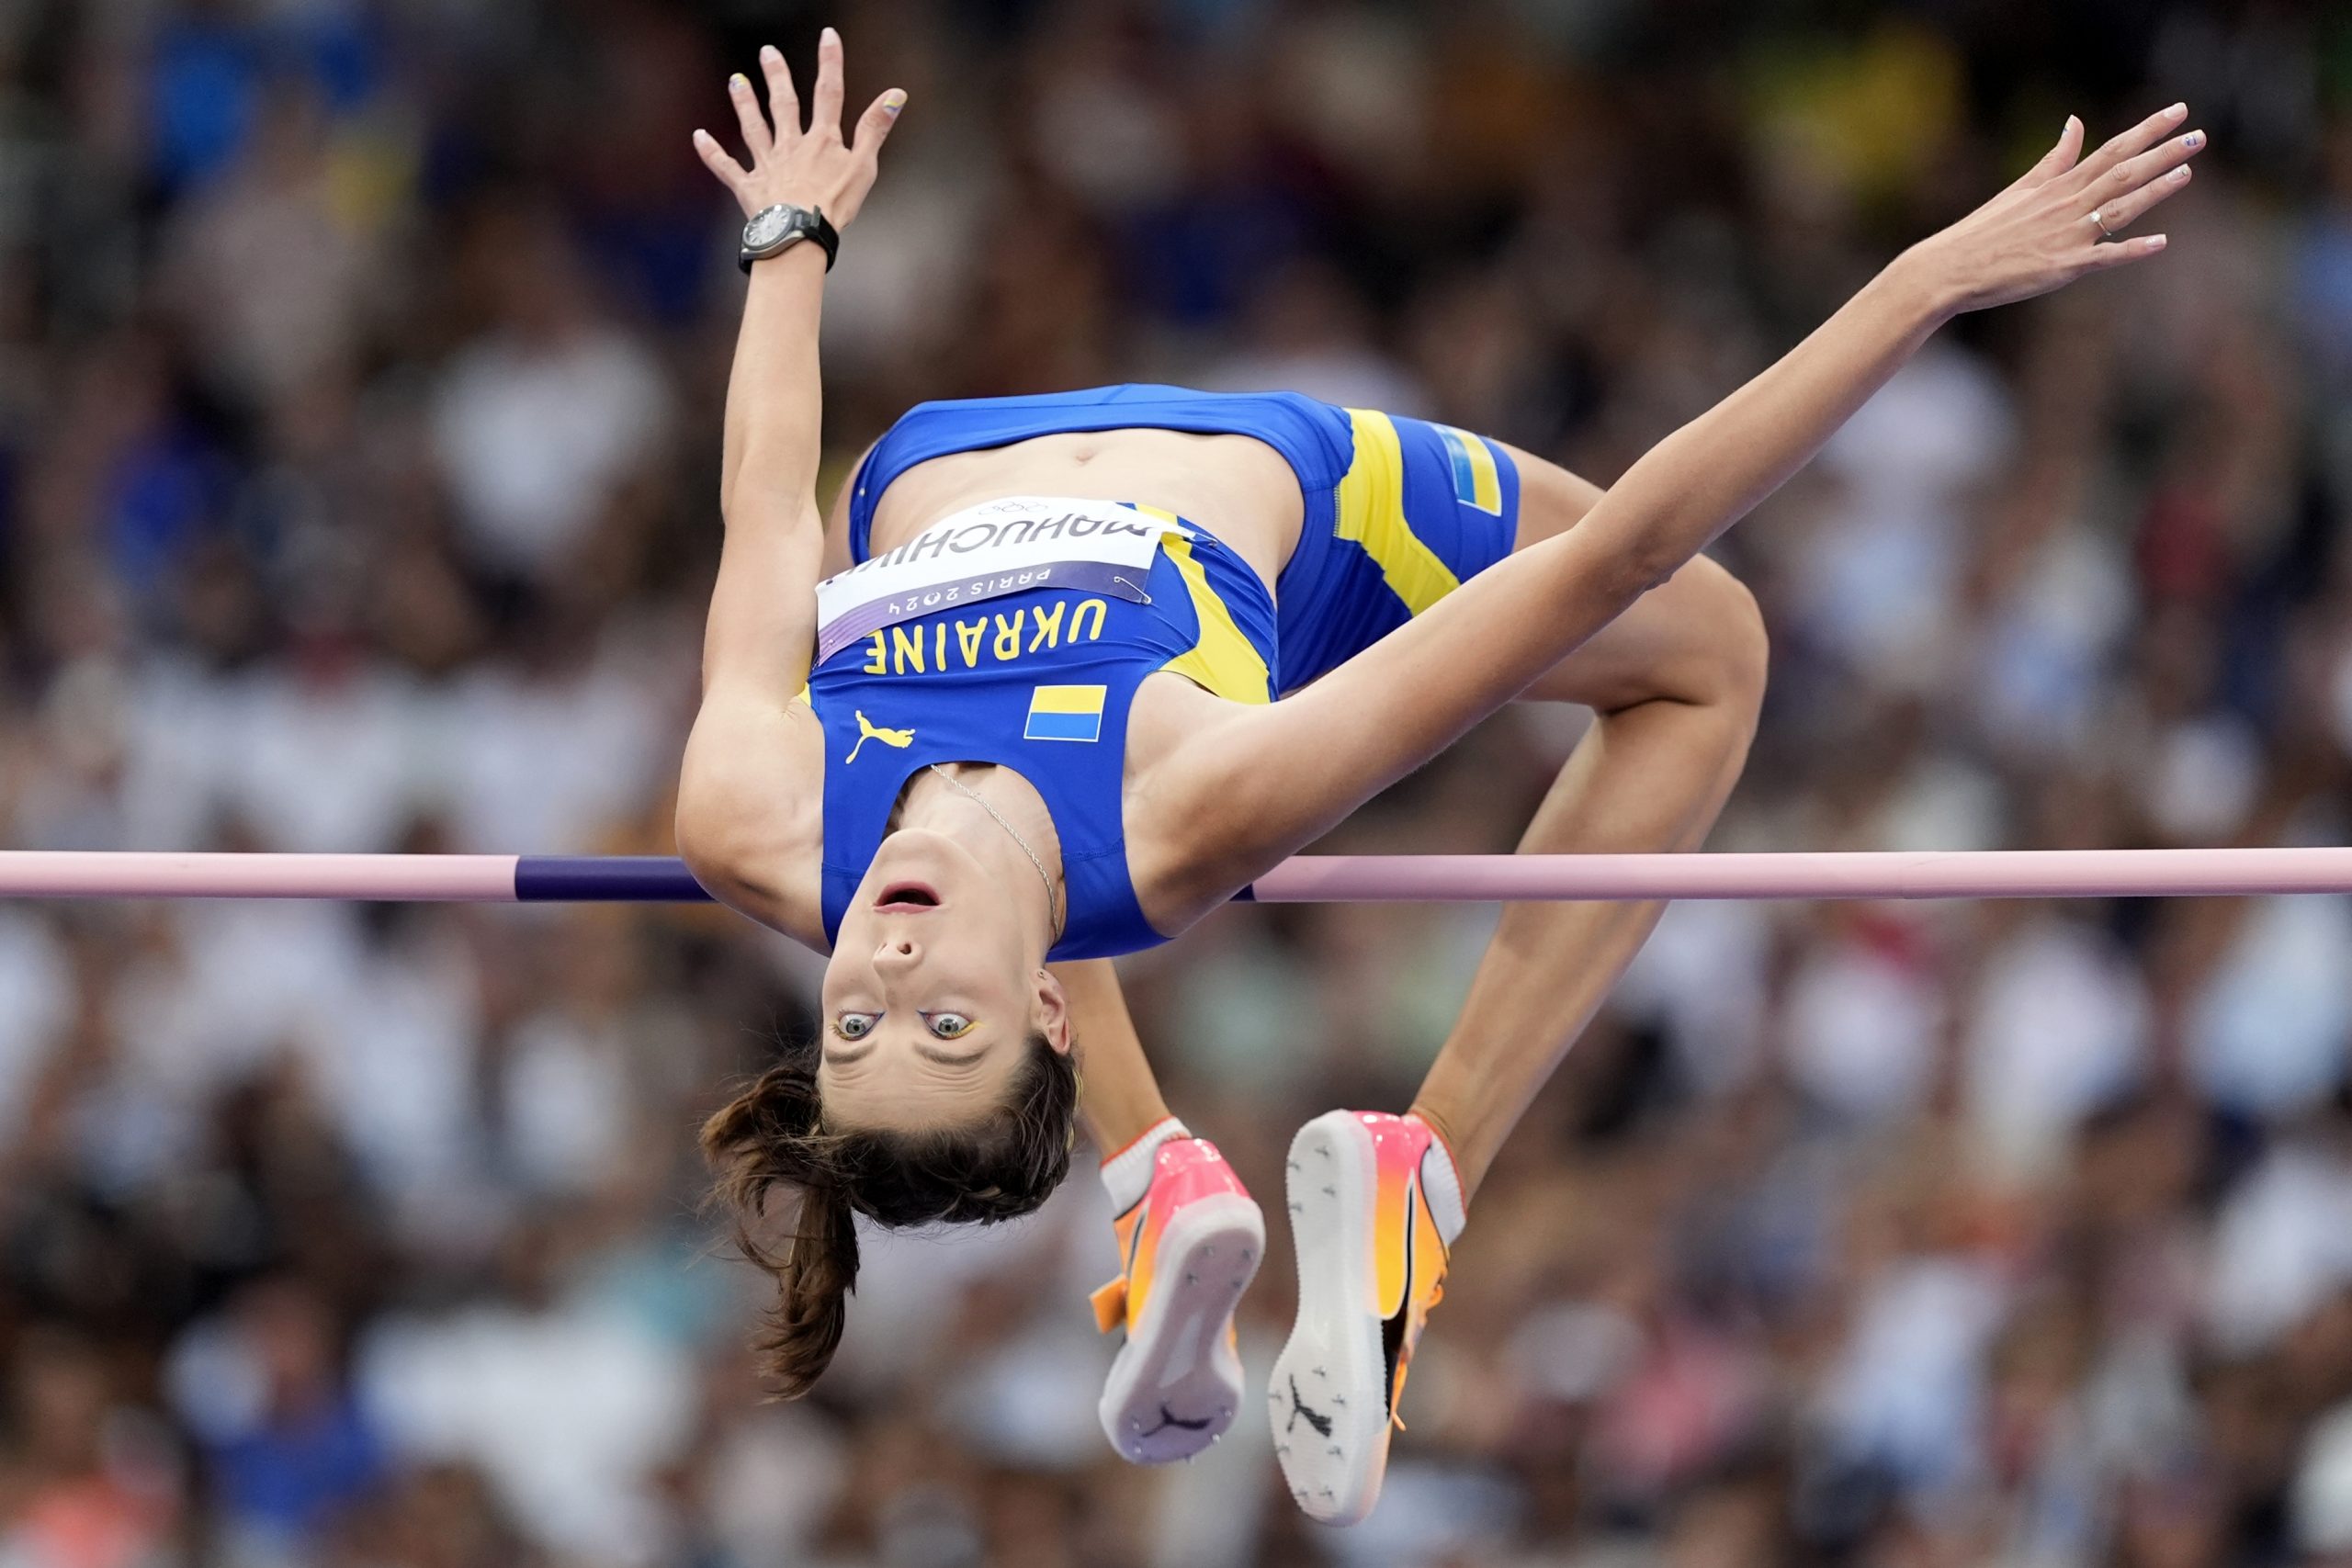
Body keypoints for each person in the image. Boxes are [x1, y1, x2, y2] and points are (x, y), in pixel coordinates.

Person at [675, 29, 2200, 1523]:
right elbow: (1623, 557)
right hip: (1305, 499)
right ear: (1052, 1003)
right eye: (945, 1021)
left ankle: (1155, 1174)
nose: (886, 954)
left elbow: (762, 510)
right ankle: (1425, 1168)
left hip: (929, 460)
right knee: (1710, 655)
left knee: (997, 845)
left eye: (857, 1016)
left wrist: (790, 236)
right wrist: (1921, 285)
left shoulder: (760, 819)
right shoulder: (1192, 803)